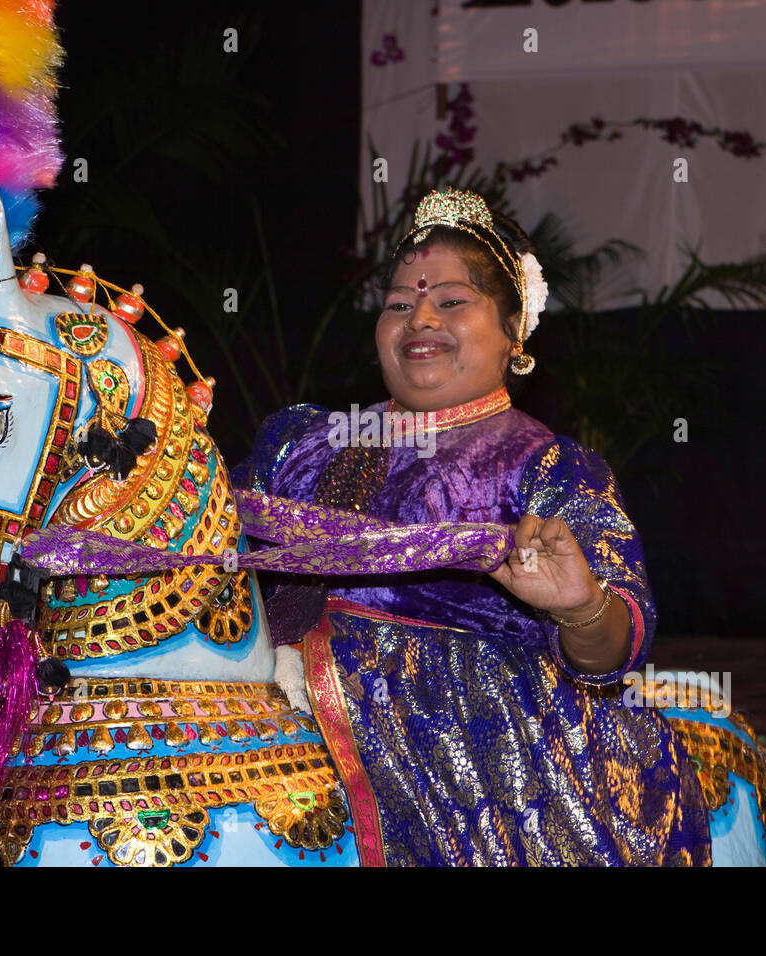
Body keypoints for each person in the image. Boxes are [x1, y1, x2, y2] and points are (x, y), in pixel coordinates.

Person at [233, 187, 713, 865]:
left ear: (514, 330)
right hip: (264, 690)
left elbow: (613, 648)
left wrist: (581, 606)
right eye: (399, 303)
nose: (419, 317)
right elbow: (205, 545)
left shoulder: (547, 466)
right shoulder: (299, 440)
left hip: (457, 741)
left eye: (451, 301)